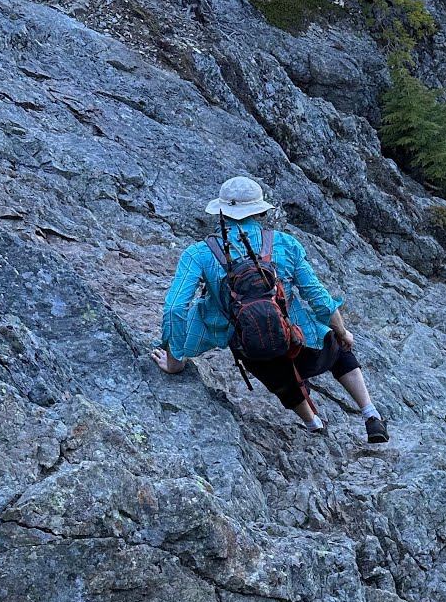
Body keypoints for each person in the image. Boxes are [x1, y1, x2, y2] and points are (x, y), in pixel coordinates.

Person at [151, 176, 389, 443]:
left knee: (276, 372)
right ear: (260, 211)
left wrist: (175, 362)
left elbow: (174, 309)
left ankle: (313, 425)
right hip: (303, 343)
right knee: (335, 346)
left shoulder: (198, 253)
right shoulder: (286, 244)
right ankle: (370, 415)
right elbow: (320, 299)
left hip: (255, 348)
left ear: (220, 210)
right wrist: (343, 333)